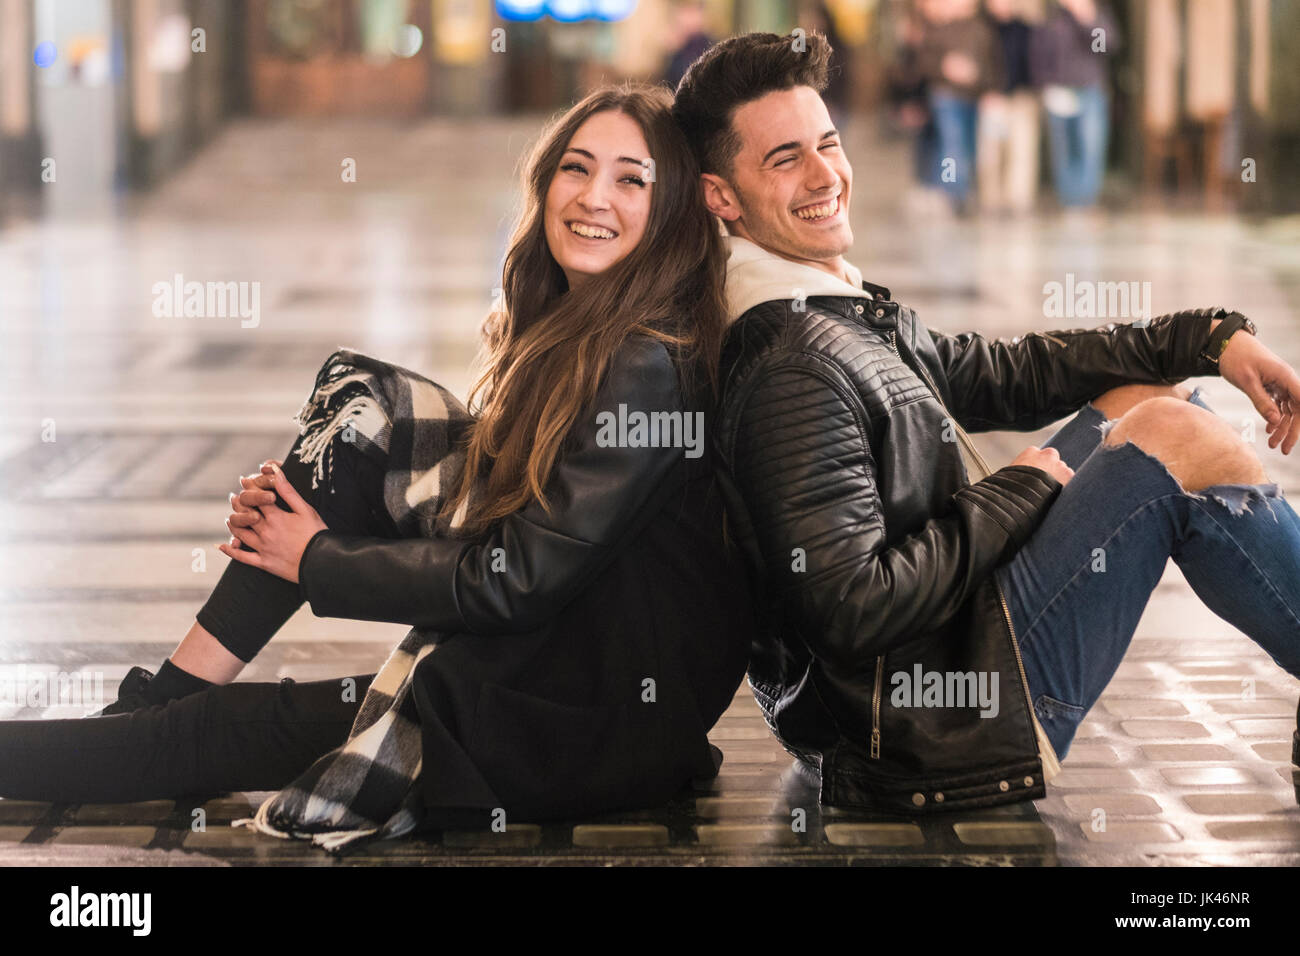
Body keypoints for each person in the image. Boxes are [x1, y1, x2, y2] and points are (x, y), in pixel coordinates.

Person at [0, 84, 754, 845]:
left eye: (632, 179)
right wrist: (306, 523)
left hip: (577, 717)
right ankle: (155, 704)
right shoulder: (593, 329)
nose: (595, 197)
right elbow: (513, 536)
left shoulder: (647, 361)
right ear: (546, 181)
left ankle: (143, 720)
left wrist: (315, 558)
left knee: (218, 730)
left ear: (673, 210)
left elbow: (515, 581)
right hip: (555, 669)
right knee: (364, 425)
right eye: (577, 167)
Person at [671, 31, 1300, 814]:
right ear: (721, 197)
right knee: (1180, 437)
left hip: (942, 649)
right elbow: (851, 610)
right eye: (784, 159)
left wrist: (1209, 339)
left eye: (828, 144)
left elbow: (1012, 371)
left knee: (1148, 397)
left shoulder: (822, 302)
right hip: (929, 719)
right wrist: (1016, 492)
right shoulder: (789, 366)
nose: (826, 174)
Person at [914, 0, 1004, 212]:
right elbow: (924, 63)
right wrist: (945, 67)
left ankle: (964, 190)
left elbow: (993, 66)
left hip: (972, 98)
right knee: (951, 147)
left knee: (968, 148)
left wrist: (983, 82)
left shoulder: (982, 31)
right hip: (946, 96)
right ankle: (953, 194)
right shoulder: (940, 29)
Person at [1030, 0, 1119, 209]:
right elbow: (1038, 55)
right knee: (1063, 148)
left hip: (1089, 91)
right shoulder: (1051, 19)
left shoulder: (1096, 14)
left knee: (1090, 146)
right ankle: (1069, 200)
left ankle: (1086, 200)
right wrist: (1045, 84)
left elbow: (1104, 48)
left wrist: (1087, 19)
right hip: (1059, 92)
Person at [977, 0, 1040, 215]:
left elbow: (1035, 63)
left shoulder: (1026, 30)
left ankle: (1018, 201)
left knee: (1021, 152)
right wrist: (986, 91)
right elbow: (979, 65)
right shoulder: (983, 29)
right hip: (992, 100)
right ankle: (991, 201)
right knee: (991, 155)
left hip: (1021, 98)